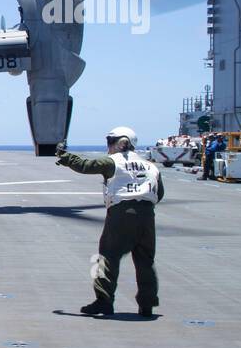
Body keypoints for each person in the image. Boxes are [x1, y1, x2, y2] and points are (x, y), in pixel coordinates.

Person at [56, 126, 164, 317]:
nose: (109, 147)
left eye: (110, 142)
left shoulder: (113, 162)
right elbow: (159, 193)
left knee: (107, 257)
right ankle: (147, 305)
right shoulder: (151, 166)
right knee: (145, 260)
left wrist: (65, 156)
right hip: (147, 216)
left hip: (121, 214)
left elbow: (86, 166)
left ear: (120, 142)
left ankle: (104, 302)